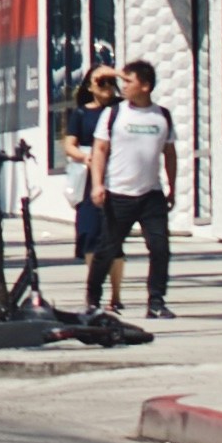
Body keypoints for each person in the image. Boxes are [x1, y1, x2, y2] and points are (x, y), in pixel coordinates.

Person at [86, 60, 177, 316]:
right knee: (108, 249)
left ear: (145, 86)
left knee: (160, 248)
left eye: (129, 81)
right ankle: (93, 299)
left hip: (151, 194)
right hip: (118, 194)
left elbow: (169, 154)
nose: (123, 86)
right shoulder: (114, 113)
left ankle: (156, 302)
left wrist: (172, 186)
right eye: (123, 81)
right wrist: (97, 185)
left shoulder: (162, 116)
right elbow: (100, 150)